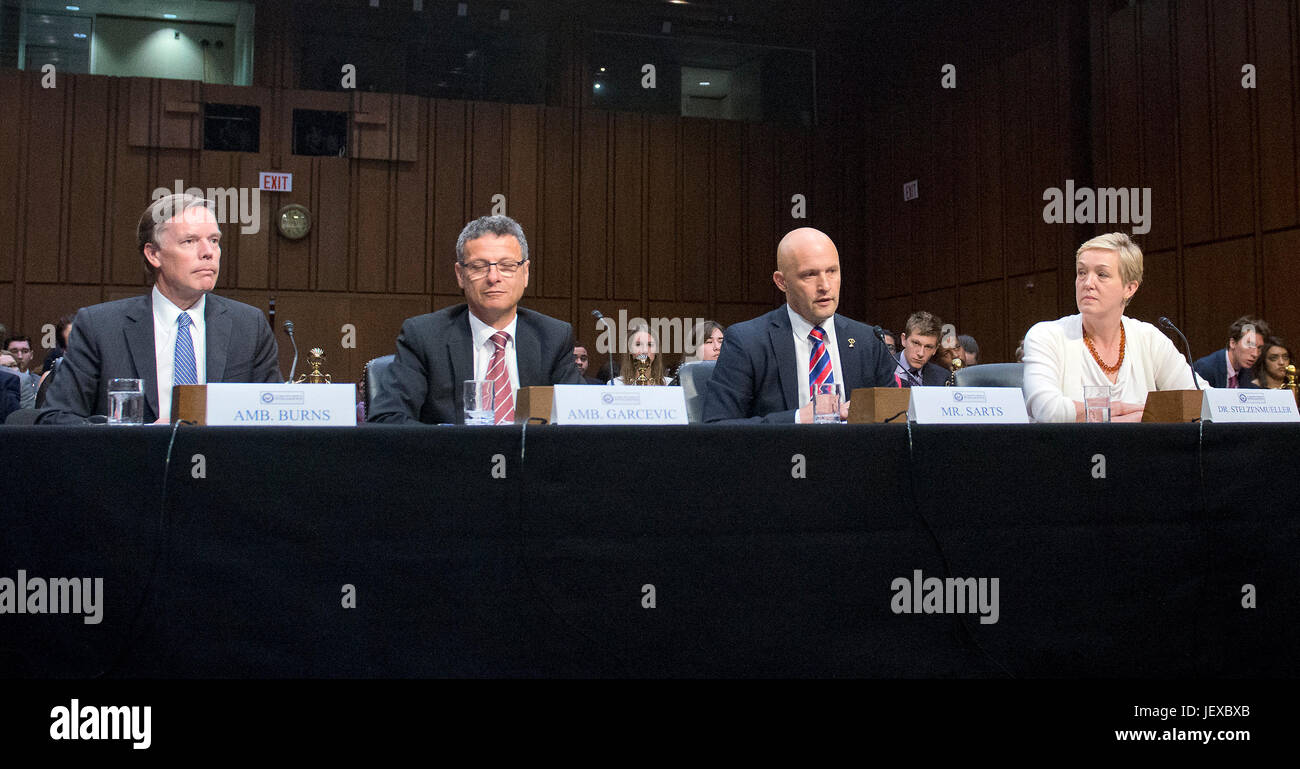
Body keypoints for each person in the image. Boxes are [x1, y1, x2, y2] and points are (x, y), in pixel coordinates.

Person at [38, 194, 281, 424]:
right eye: (190, 241)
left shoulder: (249, 325)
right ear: (153, 254)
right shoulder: (100, 327)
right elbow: (56, 418)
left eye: (214, 240)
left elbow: (273, 417)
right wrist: (140, 437)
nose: (208, 252)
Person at [368, 215, 582, 424]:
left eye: (506, 266)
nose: (493, 277)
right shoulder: (425, 336)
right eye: (479, 266)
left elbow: (580, 419)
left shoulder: (553, 337)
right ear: (460, 275)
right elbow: (388, 418)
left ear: (525, 273)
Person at [702, 227, 900, 423]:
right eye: (809, 275)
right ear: (781, 282)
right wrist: (797, 418)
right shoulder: (747, 341)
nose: (825, 286)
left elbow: (895, 422)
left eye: (832, 271)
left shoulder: (869, 340)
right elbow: (718, 426)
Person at [1022, 232, 1205, 423]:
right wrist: (1123, 412)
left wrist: (1090, 415)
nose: (1088, 283)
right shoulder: (1047, 336)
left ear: (1129, 288)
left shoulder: (1148, 338)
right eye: (1082, 272)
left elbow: (1203, 401)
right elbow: (1047, 410)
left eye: (1102, 274)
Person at [1193, 316, 1270, 388]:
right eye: (1249, 345)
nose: (1255, 354)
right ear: (1233, 343)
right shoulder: (1206, 368)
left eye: (1259, 348)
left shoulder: (1249, 371)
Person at [897, 311, 950, 386]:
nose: (921, 353)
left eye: (928, 347)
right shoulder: (882, 368)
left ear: (935, 349)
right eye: (916, 343)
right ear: (904, 340)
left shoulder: (943, 378)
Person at [670, 320, 724, 384]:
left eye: (721, 342)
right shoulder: (682, 379)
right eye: (709, 342)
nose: (717, 347)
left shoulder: (735, 375)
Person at [2, 336, 40, 409]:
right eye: (14, 351)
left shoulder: (40, 382)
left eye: (25, 351)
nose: (20, 356)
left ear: (31, 355)